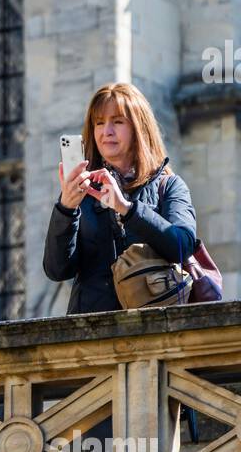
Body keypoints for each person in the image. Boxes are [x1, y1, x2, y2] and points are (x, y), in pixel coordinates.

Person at [43, 82, 196, 315]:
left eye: (117, 121)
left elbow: (182, 245)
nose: (107, 132)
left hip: (156, 330)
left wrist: (127, 208)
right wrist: (66, 209)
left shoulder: (169, 185)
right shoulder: (81, 190)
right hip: (92, 334)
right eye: (99, 123)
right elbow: (57, 270)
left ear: (138, 127)